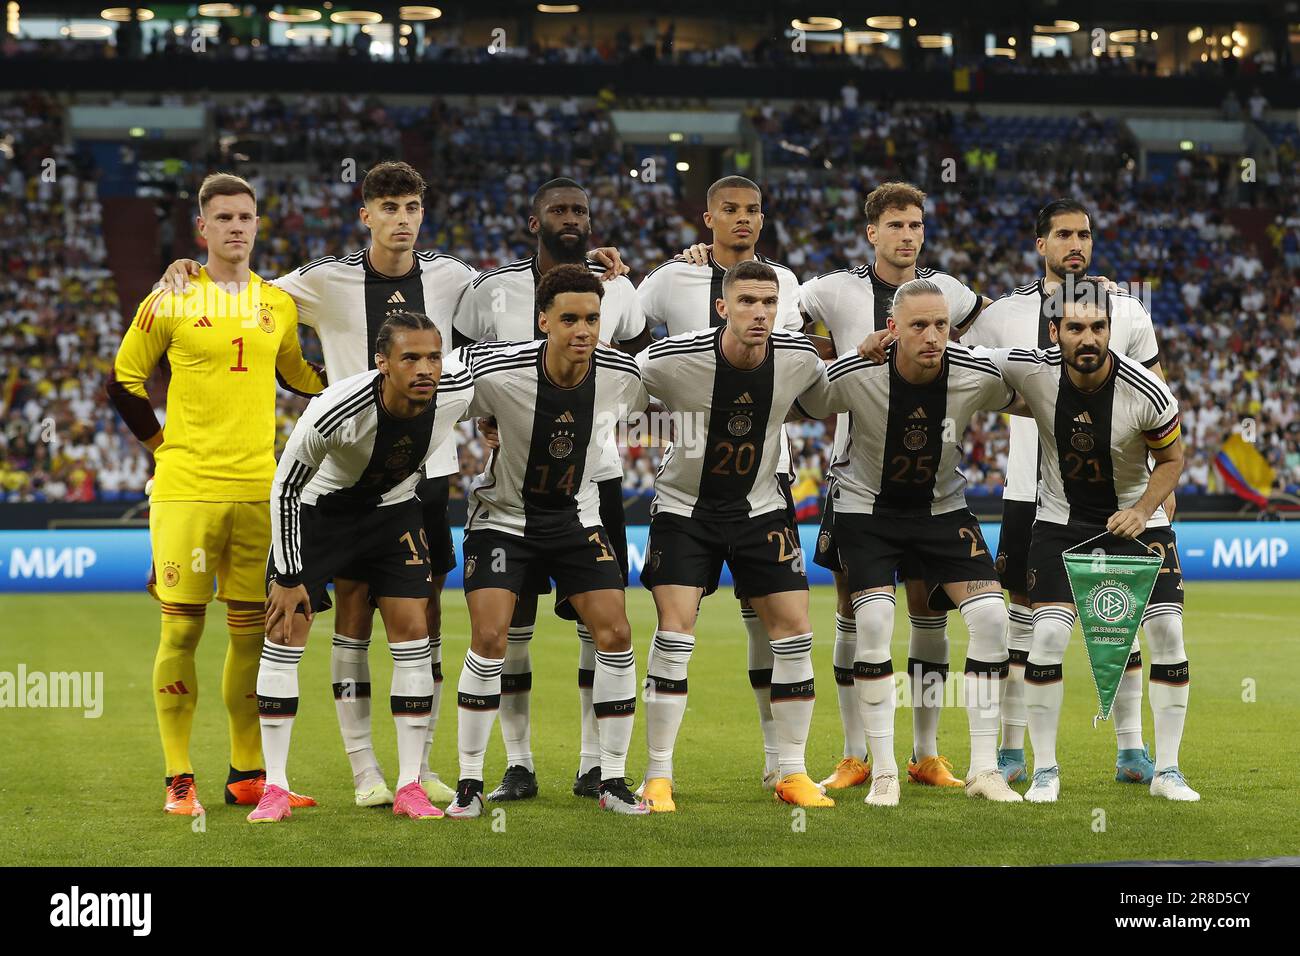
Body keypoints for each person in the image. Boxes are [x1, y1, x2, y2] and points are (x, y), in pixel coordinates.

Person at [158, 162, 629, 808]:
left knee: (422, 621)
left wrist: (600, 270)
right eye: (389, 207)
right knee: (351, 620)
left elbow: (486, 345)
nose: (402, 219)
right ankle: (362, 774)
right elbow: (251, 293)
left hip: (423, 479)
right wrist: (191, 268)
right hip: (343, 474)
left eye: (412, 207)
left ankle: (423, 768)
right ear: (366, 216)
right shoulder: (324, 281)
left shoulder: (455, 278)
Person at [107, 173, 325, 815]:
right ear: (202, 229)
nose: (236, 227)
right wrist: (161, 448)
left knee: (252, 637)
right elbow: (122, 380)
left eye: (246, 217)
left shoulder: (277, 304)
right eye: (223, 217)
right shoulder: (169, 297)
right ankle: (179, 776)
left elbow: (301, 379)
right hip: (186, 493)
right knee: (180, 634)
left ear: (258, 226)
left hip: (262, 490)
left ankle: (247, 774)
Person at [948, 199, 1167, 786]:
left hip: (1118, 495)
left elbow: (1156, 399)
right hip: (1033, 493)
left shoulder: (1127, 311)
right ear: (1039, 243)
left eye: (1085, 234)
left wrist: (1155, 495)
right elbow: (966, 374)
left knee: (1119, 621)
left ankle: (1131, 749)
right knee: (1026, 620)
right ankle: (1014, 751)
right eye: (1064, 234)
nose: (1077, 244)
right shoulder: (1002, 314)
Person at [452, 177, 648, 802]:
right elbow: (448, 379)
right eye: (571, 318)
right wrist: (482, 419)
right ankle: (501, 770)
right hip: (506, 510)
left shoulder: (620, 337)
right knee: (503, 636)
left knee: (607, 632)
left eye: (593, 319)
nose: (585, 328)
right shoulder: (493, 312)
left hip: (587, 499)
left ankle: (603, 770)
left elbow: (661, 373)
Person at [796, 278, 1022, 806]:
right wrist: (851, 351)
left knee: (992, 619)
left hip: (942, 510)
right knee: (872, 622)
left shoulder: (973, 371)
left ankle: (985, 769)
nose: (932, 336)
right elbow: (807, 397)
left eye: (941, 325)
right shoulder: (859, 371)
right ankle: (884, 771)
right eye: (918, 325)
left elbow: (1034, 391)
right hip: (864, 510)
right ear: (892, 329)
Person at [976, 282, 1197, 802]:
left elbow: (1172, 460)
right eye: (1075, 328)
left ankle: (1167, 771)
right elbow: (966, 358)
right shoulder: (1033, 370)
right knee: (1047, 636)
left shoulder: (1148, 391)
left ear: (1110, 332)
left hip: (1138, 520)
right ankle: (1047, 770)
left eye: (1097, 327)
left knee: (1166, 630)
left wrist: (1143, 510)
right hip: (1061, 522)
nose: (1087, 337)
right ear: (1056, 333)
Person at [252, 311, 474, 822]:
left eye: (434, 356)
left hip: (392, 510)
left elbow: (512, 369)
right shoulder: (336, 410)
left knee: (414, 630)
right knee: (284, 632)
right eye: (410, 358)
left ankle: (410, 785)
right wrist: (288, 577)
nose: (426, 368)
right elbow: (286, 487)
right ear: (382, 363)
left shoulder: (457, 388)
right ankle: (276, 787)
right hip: (319, 512)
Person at [636, 259, 832, 811]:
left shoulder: (797, 357)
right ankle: (657, 776)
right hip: (683, 509)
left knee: (794, 632)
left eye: (768, 303)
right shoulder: (674, 358)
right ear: (722, 307)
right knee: (675, 634)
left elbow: (830, 392)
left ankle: (790, 772)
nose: (760, 312)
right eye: (747, 301)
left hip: (761, 507)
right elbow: (620, 384)